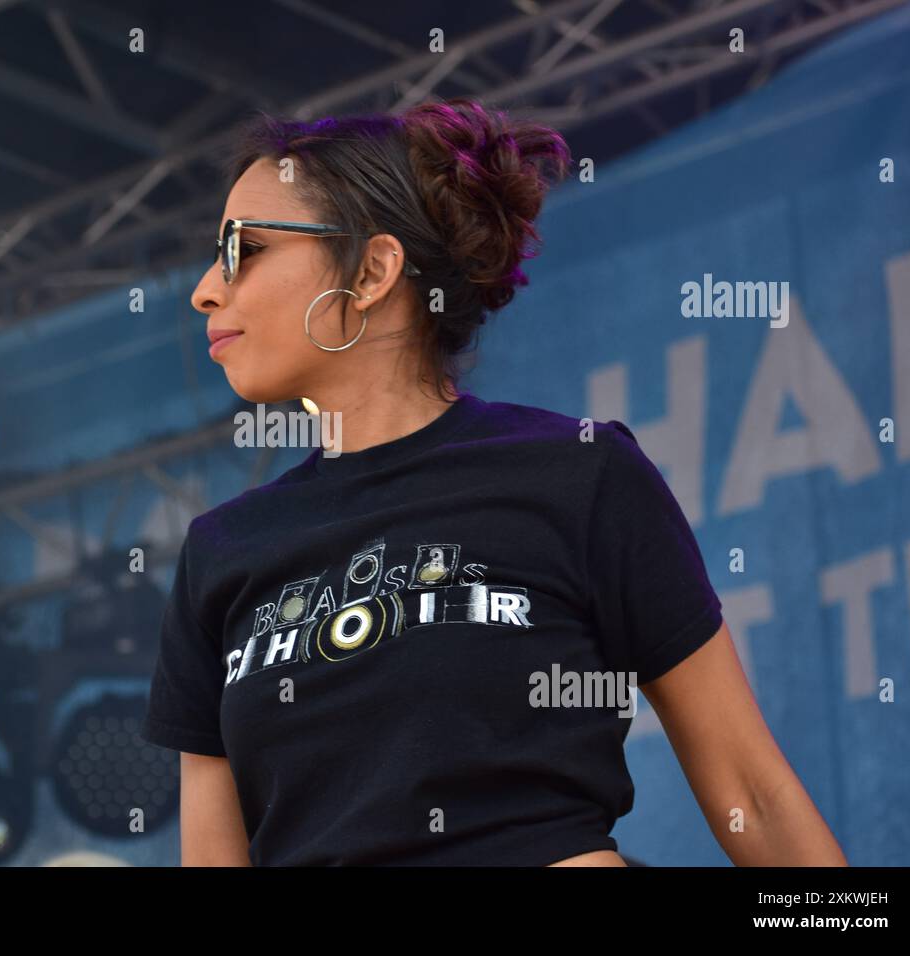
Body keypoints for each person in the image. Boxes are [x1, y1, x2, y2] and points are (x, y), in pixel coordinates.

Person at [139, 97, 847, 867]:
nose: (207, 289)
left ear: (373, 270)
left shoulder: (579, 474)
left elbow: (754, 793)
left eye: (244, 249)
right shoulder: (222, 550)